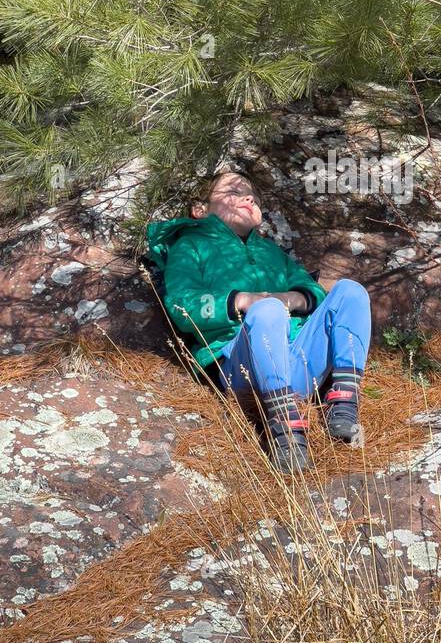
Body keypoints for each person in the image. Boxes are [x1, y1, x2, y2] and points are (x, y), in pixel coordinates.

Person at [146, 171, 372, 472]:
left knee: (351, 292)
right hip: (240, 365)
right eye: (234, 192)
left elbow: (314, 291)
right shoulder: (189, 245)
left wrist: (288, 300)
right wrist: (243, 301)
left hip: (298, 360)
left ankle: (344, 405)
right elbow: (180, 304)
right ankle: (285, 429)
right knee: (266, 311)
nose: (248, 198)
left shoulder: (270, 251)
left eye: (251, 195)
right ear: (200, 210)